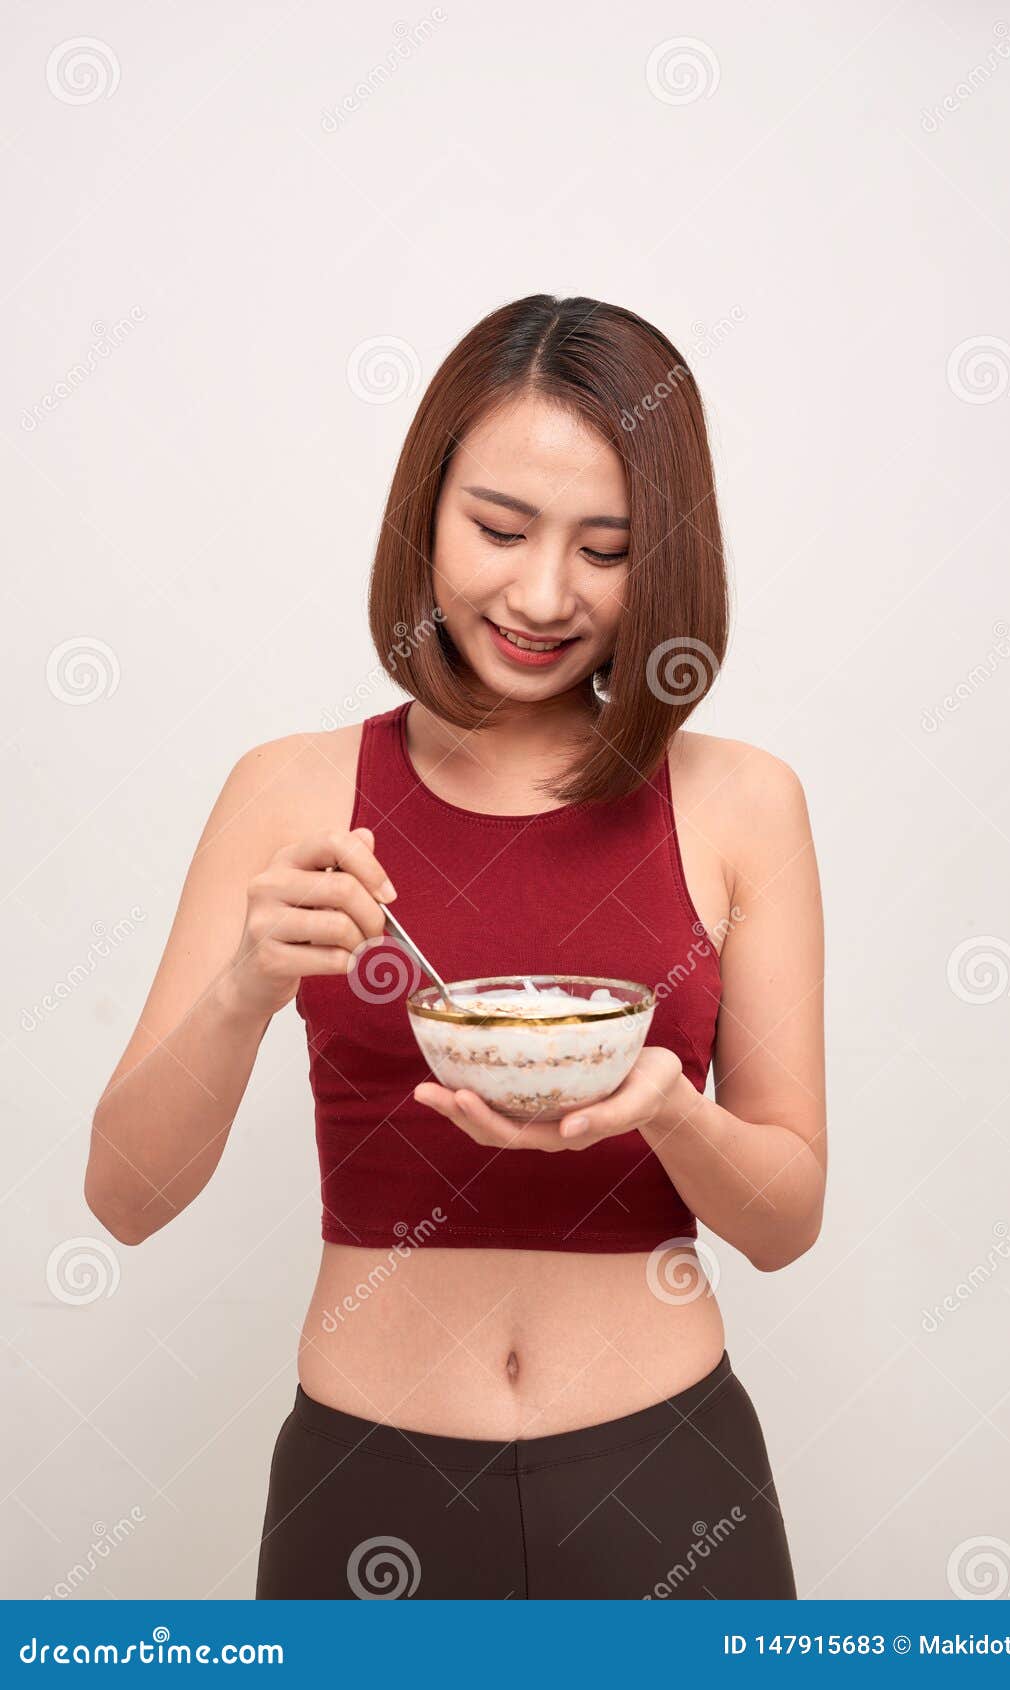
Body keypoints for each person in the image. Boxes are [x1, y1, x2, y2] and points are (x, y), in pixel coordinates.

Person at [85, 294, 826, 1600]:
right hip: (365, 1483)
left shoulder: (742, 801)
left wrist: (669, 1114)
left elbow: (785, 1216)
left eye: (606, 547)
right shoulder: (287, 789)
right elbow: (124, 1199)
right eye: (498, 527)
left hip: (669, 1480)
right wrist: (244, 990)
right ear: (425, 510)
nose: (542, 593)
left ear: (663, 560)